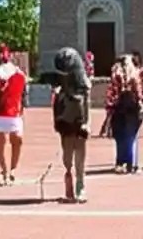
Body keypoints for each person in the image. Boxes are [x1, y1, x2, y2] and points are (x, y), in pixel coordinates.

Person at [53, 47, 92, 203]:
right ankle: (68, 178)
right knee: (67, 154)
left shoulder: (83, 85)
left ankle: (80, 185)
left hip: (79, 120)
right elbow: (55, 106)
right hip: (65, 119)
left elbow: (87, 103)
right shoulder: (59, 85)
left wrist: (87, 123)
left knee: (80, 153)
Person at [0, 43, 27, 185]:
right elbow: (24, 93)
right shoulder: (18, 73)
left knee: (2, 143)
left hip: (2, 112)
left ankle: (6, 171)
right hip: (13, 112)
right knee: (16, 142)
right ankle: (11, 170)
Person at [107, 55, 143, 173]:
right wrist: (141, 104)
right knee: (130, 136)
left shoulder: (116, 76)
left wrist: (110, 107)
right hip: (132, 109)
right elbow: (138, 92)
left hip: (118, 108)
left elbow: (111, 93)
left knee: (120, 137)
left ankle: (120, 162)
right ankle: (131, 163)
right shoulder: (134, 75)